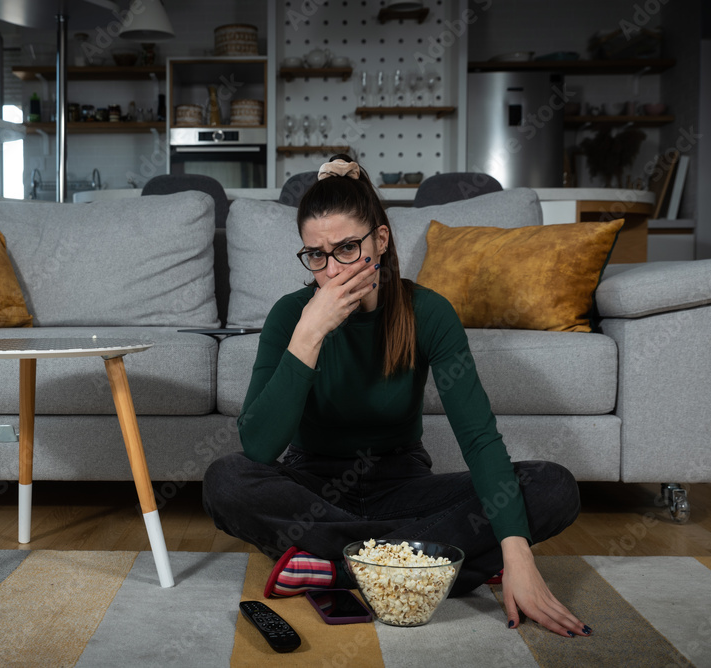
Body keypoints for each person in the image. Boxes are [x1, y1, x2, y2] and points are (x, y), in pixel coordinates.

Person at [202, 155, 590, 638]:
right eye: (317, 255)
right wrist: (309, 336)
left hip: (403, 488)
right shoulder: (290, 316)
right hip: (315, 490)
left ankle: (334, 568)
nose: (332, 270)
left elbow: (479, 438)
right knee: (225, 480)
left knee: (553, 486)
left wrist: (518, 554)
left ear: (380, 240)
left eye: (347, 249)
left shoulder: (428, 312)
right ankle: (432, 562)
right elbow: (259, 447)